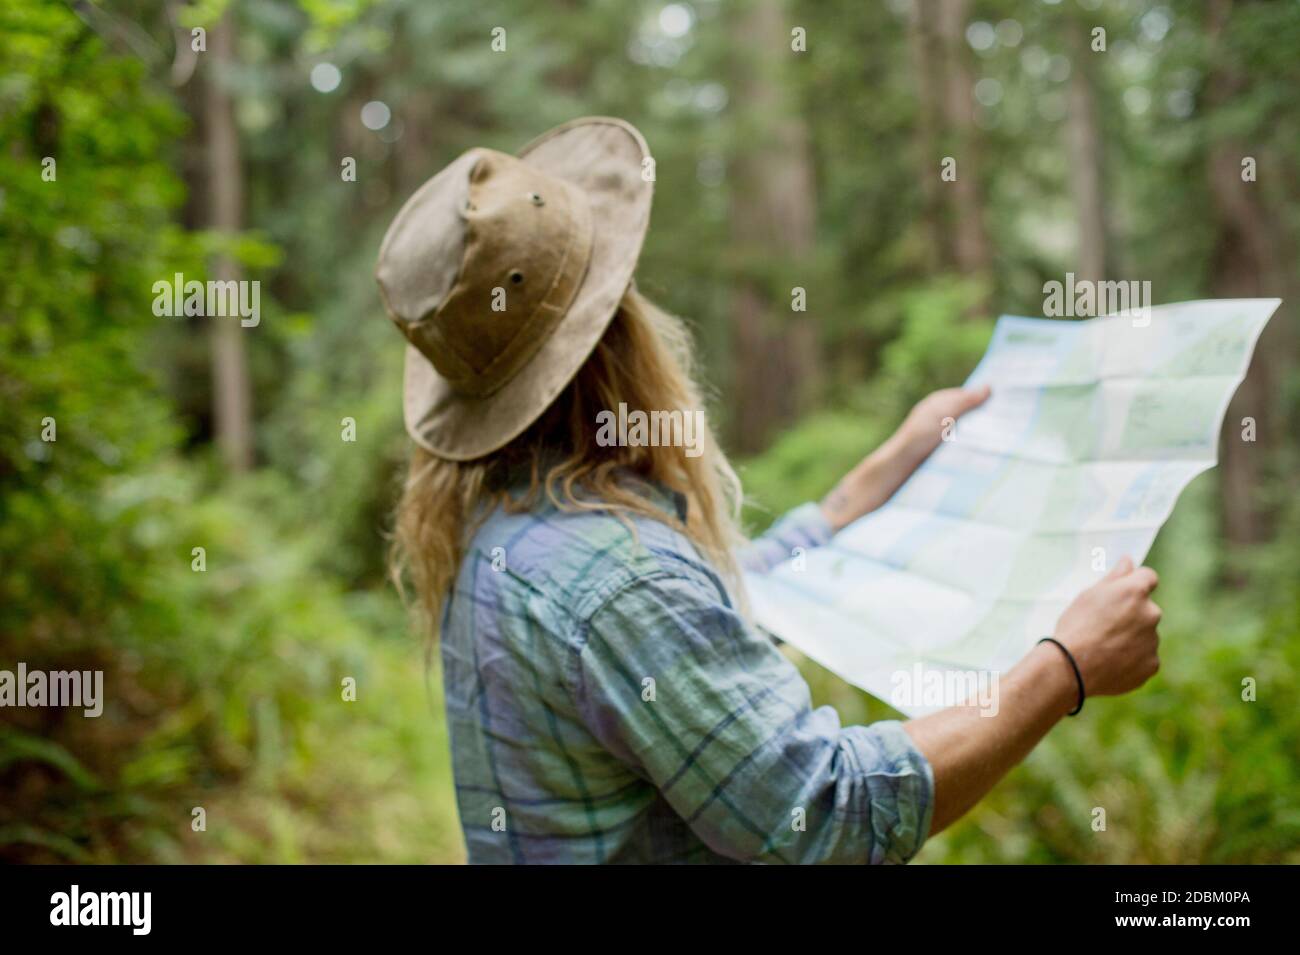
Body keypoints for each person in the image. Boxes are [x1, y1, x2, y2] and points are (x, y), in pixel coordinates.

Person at [377, 117, 1162, 864]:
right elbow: (825, 812)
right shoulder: (619, 576)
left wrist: (878, 474)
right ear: (618, 334)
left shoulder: (508, 524)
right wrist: (1065, 666)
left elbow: (711, 602)